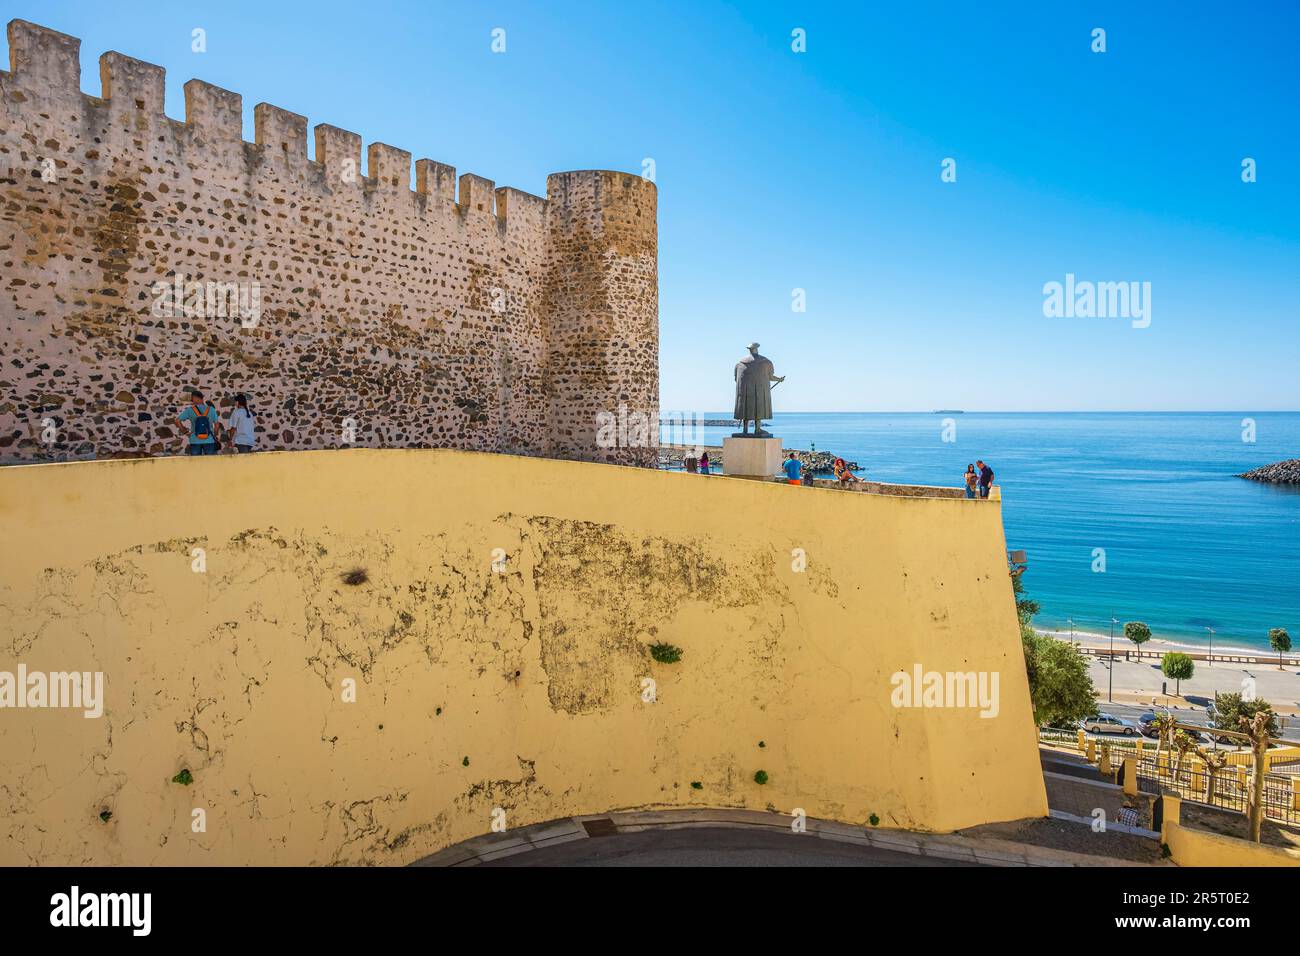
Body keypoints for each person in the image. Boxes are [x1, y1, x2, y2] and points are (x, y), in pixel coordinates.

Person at [178, 390, 221, 456]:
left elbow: (177, 420)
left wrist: (185, 432)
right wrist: (214, 435)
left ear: (195, 398)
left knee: (195, 463)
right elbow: (217, 425)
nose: (192, 400)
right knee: (211, 463)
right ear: (202, 398)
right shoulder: (211, 409)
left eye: (192, 398)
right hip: (209, 440)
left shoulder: (190, 410)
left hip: (195, 440)